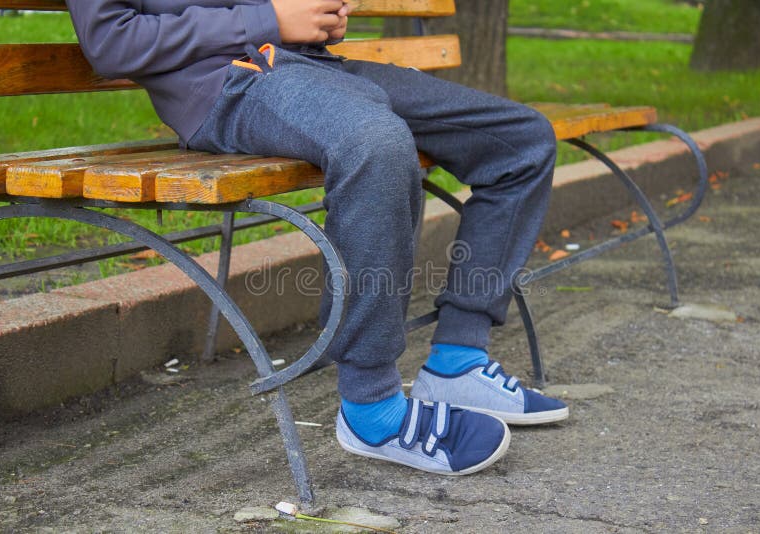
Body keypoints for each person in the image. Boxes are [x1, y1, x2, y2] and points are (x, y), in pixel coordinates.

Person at [67, 0, 569, 475]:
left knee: (521, 141)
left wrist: (316, 15)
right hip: (227, 83)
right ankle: (371, 410)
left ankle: (458, 359)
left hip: (310, 65)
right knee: (375, 144)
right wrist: (268, 17)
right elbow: (111, 42)